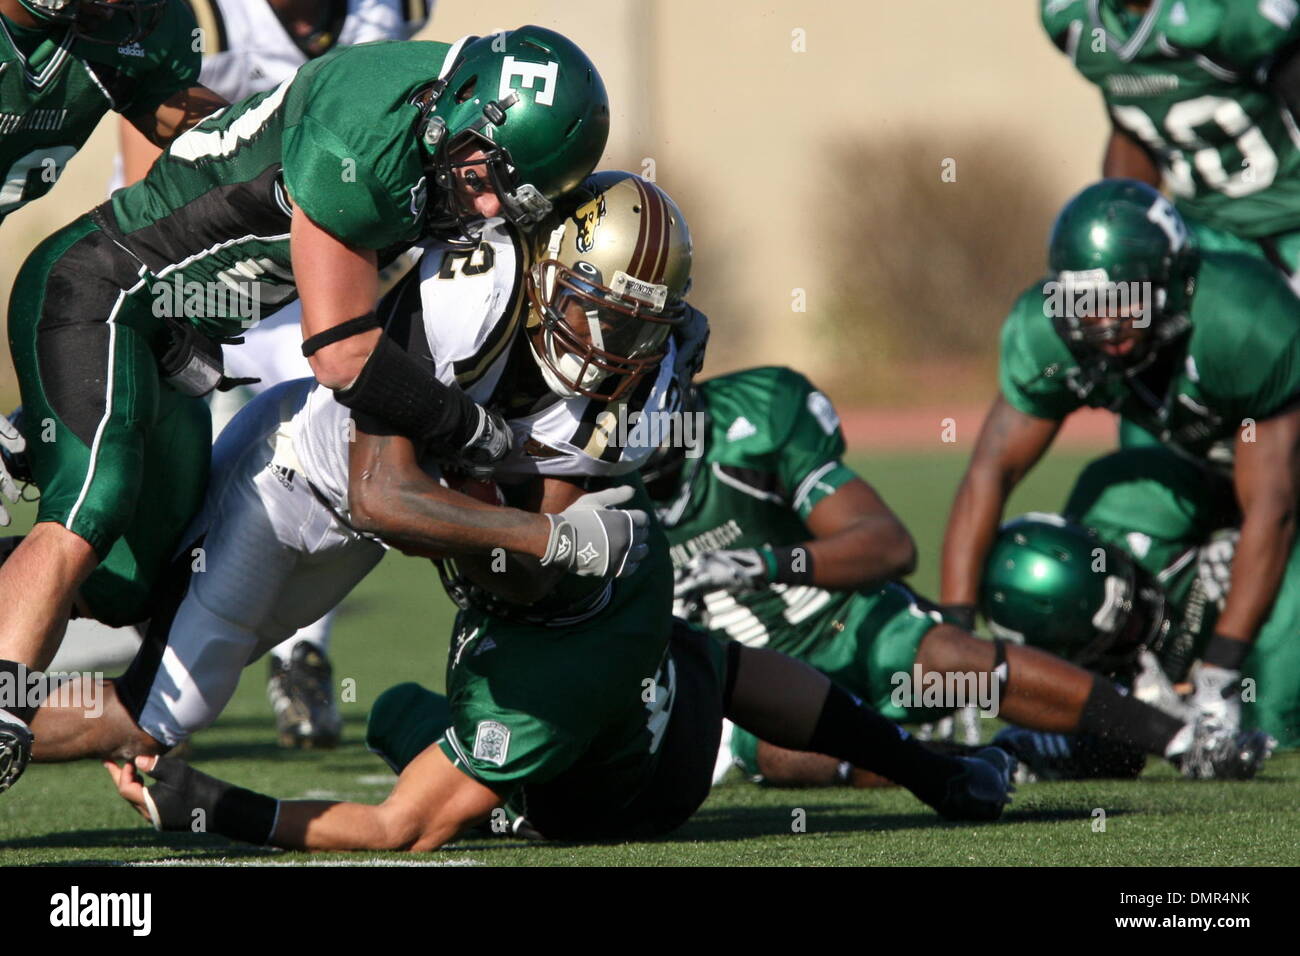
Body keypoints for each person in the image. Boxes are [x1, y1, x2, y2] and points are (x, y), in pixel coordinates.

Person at [0, 26, 611, 794]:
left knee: (129, 584)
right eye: (489, 173)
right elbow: (341, 353)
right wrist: (474, 432)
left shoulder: (446, 123)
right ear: (461, 106)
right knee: (98, 497)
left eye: (511, 194)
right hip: (104, 290)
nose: (487, 203)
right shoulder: (365, 129)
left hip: (168, 344)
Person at [640, 365, 1275, 786]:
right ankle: (1000, 758)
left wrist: (765, 563)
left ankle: (1179, 737)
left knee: (949, 656)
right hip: (749, 674)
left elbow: (888, 545)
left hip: (851, 624)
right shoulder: (586, 483)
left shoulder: (751, 423)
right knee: (775, 752)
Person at [940, 177, 1300, 746]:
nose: (1103, 322)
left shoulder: (1241, 320)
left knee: (1276, 703)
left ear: (1174, 284)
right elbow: (991, 470)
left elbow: (1276, 507)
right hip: (1206, 472)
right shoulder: (1048, 335)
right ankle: (1121, 690)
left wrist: (1220, 675)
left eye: (1123, 299)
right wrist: (954, 642)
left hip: (1283, 490)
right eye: (1085, 301)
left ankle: (1214, 682)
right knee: (1104, 507)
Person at [1041, 0, 1300, 287]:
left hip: (1291, 218)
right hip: (1205, 239)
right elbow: (1132, 123)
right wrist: (1120, 236)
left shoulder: (1235, 17)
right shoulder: (1075, 20)